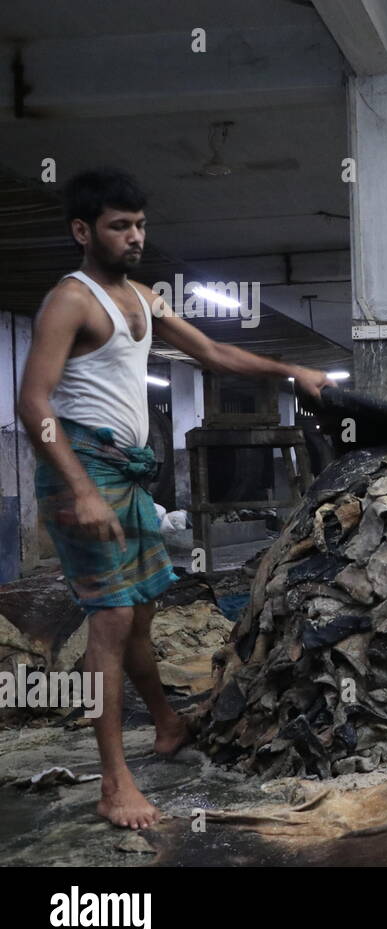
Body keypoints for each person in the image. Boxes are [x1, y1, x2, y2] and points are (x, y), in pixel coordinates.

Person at [16, 168, 336, 829]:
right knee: (108, 624)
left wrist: (290, 370)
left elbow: (214, 352)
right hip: (85, 475)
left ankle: (165, 724)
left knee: (139, 615)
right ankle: (114, 785)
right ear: (83, 231)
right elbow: (33, 404)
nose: (133, 237)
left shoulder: (141, 296)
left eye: (139, 226)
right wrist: (80, 490)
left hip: (127, 478)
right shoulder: (69, 303)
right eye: (118, 226)